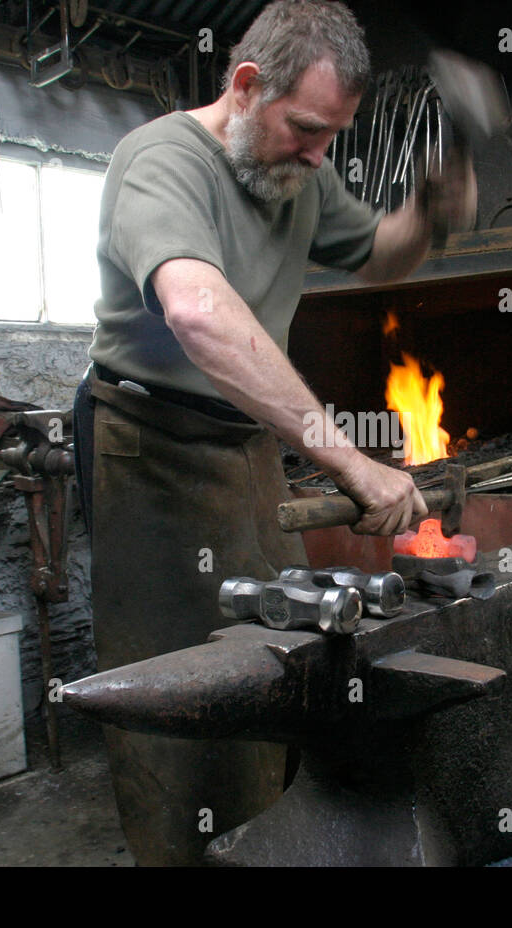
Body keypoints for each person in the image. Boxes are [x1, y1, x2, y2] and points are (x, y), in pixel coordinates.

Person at [72, 0, 476, 865]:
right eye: (305, 128)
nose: (318, 154)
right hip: (152, 454)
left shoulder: (297, 174)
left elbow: (380, 254)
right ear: (247, 85)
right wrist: (349, 462)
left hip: (248, 453)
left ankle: (260, 849)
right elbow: (198, 313)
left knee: (274, 674)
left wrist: (429, 211)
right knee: (186, 702)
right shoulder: (161, 161)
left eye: (332, 136)